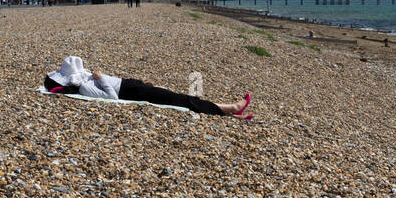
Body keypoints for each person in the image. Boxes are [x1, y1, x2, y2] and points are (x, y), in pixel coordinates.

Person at [43, 56, 253, 117]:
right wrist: (100, 78)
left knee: (176, 96)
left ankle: (223, 110)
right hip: (129, 92)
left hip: (131, 86)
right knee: (181, 100)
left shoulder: (83, 80)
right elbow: (112, 98)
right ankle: (231, 108)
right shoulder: (82, 87)